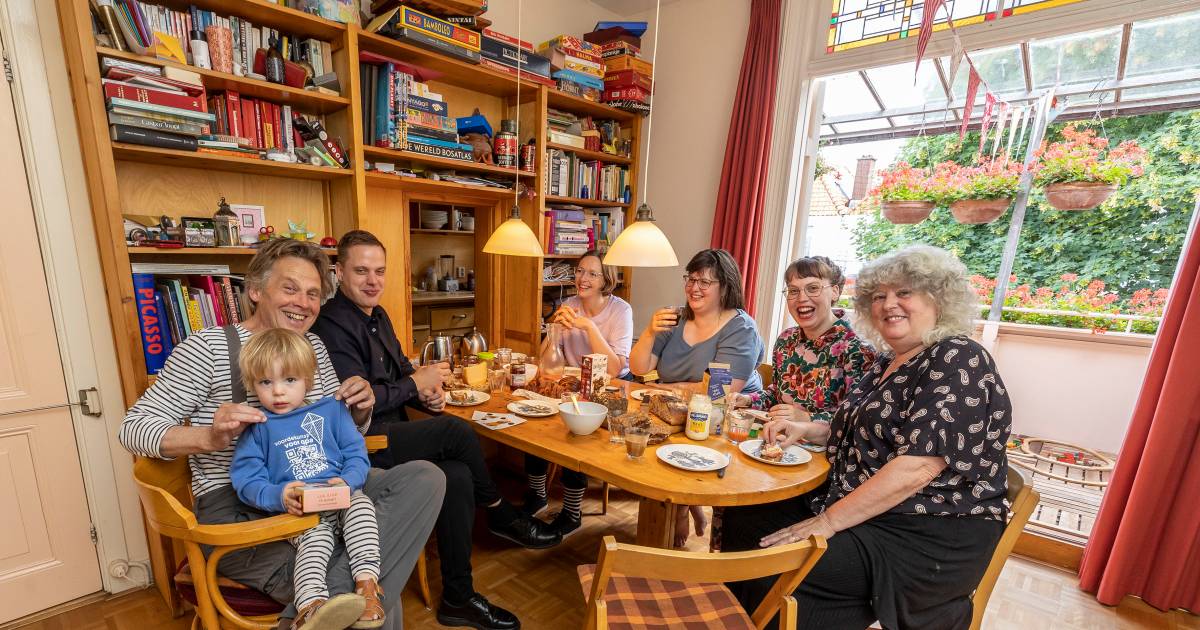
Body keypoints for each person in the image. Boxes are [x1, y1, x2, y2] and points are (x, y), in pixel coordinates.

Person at [119, 238, 445, 630]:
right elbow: (133, 429)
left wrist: (359, 411)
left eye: (312, 294)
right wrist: (208, 437)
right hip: (242, 507)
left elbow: (332, 431)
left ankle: (320, 611)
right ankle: (346, 600)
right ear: (255, 289)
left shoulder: (314, 347)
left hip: (321, 486)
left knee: (425, 478)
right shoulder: (207, 348)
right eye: (290, 288)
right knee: (382, 592)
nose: (304, 304)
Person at [721, 245, 1013, 630]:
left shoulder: (958, 357)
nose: (889, 304)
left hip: (928, 528)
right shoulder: (885, 361)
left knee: (797, 559)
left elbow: (917, 468)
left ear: (938, 298)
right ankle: (746, 620)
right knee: (745, 516)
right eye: (879, 296)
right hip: (864, 506)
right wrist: (809, 429)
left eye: (904, 292)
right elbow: (861, 430)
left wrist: (827, 522)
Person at [311, 230, 559, 630]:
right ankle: (500, 514)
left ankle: (458, 599)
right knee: (457, 433)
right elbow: (357, 401)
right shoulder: (330, 325)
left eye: (379, 271)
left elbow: (399, 377)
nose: (373, 280)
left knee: (458, 475)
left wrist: (423, 395)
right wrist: (415, 383)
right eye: (361, 271)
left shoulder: (377, 315)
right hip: (363, 445)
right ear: (339, 272)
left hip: (395, 433)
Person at [713, 256, 875, 550]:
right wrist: (748, 398)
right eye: (793, 290)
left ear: (835, 290)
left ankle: (756, 574)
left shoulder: (857, 349)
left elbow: (856, 420)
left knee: (749, 508)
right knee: (728, 486)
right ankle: (727, 576)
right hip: (772, 446)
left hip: (819, 467)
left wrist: (808, 416)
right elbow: (777, 394)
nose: (802, 298)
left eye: (813, 288)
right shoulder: (787, 341)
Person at [230, 328, 384, 629]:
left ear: (307, 380)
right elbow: (246, 480)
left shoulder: (331, 412)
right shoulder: (257, 426)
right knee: (316, 541)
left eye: (289, 380)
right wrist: (279, 495)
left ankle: (367, 586)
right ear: (252, 384)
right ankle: (312, 607)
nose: (278, 392)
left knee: (362, 507)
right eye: (265, 382)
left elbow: (356, 454)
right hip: (301, 512)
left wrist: (348, 481)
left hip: (341, 496)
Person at [628, 248, 766, 545]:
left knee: (673, 447)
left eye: (705, 282)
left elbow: (717, 392)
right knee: (639, 441)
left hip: (730, 422)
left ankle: (678, 511)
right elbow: (640, 369)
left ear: (725, 286)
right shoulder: (675, 317)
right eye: (690, 279)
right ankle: (682, 509)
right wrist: (650, 332)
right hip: (676, 413)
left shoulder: (740, 328)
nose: (694, 287)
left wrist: (661, 388)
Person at [523, 250, 634, 536]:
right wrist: (553, 330)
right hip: (570, 385)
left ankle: (572, 512)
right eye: (580, 271)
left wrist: (588, 326)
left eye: (592, 273)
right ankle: (537, 495)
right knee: (534, 422)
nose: (582, 278)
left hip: (608, 389)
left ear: (605, 279)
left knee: (579, 430)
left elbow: (614, 367)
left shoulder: (620, 310)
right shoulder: (568, 304)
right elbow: (544, 357)